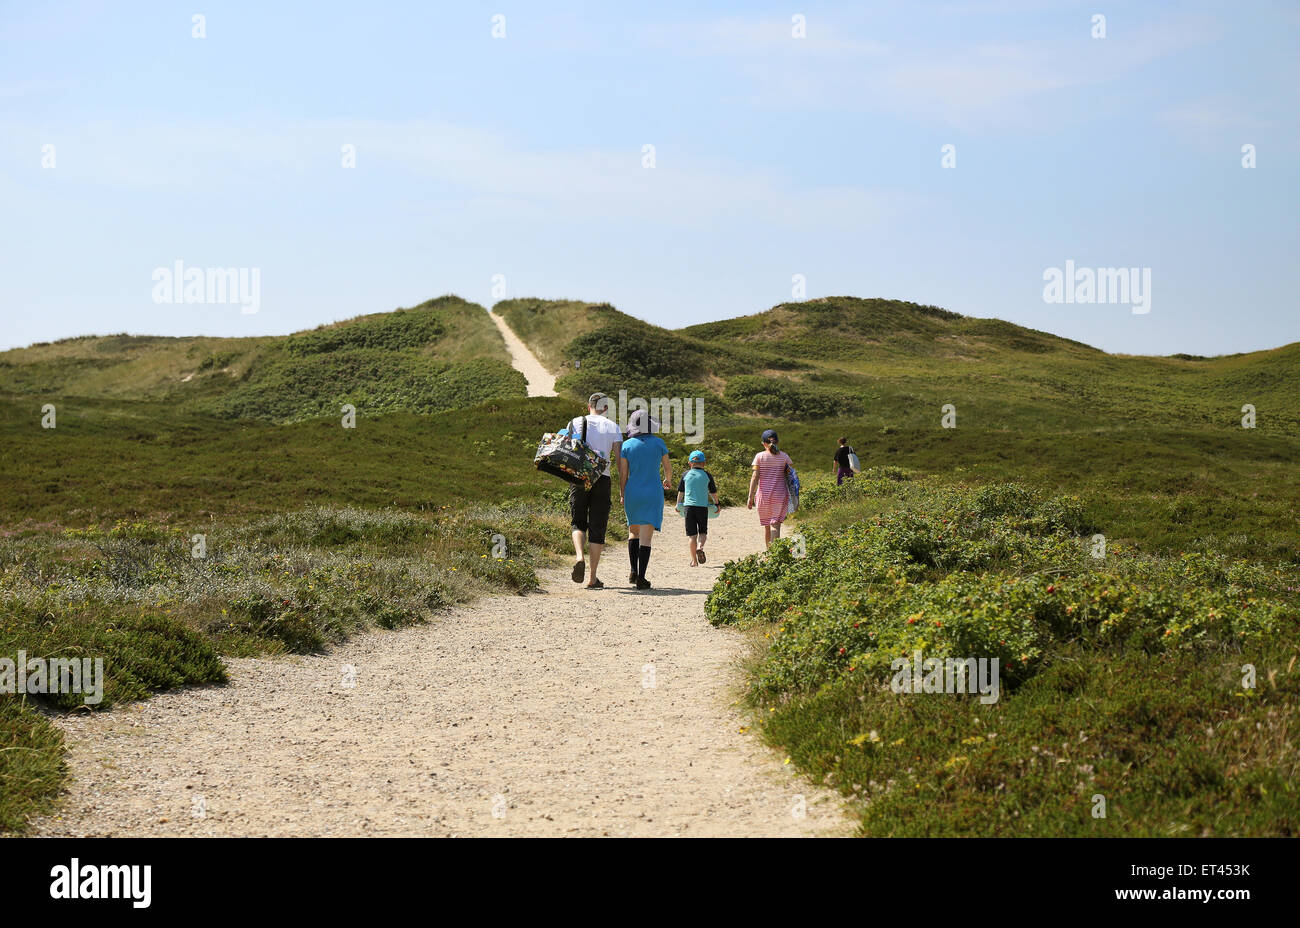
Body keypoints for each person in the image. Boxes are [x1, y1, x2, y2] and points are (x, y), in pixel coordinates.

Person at [565, 393, 622, 589]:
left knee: (578, 522)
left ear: (588, 405)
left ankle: (579, 556)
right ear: (606, 408)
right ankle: (592, 577)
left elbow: (565, 448)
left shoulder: (575, 422)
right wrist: (622, 489)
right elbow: (620, 461)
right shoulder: (613, 427)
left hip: (579, 477)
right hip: (602, 479)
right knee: (598, 528)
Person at [618, 408, 672, 590]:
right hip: (652, 492)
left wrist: (622, 493)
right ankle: (642, 577)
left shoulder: (627, 445)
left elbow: (623, 474)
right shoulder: (659, 443)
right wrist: (668, 480)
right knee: (646, 538)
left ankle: (633, 570)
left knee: (633, 531)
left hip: (633, 491)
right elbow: (668, 469)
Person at [747, 428, 793, 548]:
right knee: (775, 525)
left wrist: (750, 497)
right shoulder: (784, 457)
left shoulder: (759, 456)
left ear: (763, 443)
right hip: (780, 495)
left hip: (763, 496)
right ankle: (774, 556)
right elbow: (791, 475)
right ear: (777, 441)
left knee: (767, 526)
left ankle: (769, 553)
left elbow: (755, 477)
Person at [676, 449, 718, 567]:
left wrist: (677, 504)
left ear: (690, 463)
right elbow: (713, 492)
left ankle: (694, 561)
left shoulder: (685, 474)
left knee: (692, 536)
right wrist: (717, 504)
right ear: (704, 463)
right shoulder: (707, 475)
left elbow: (681, 491)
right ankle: (700, 547)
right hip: (702, 508)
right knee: (703, 532)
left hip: (688, 507)